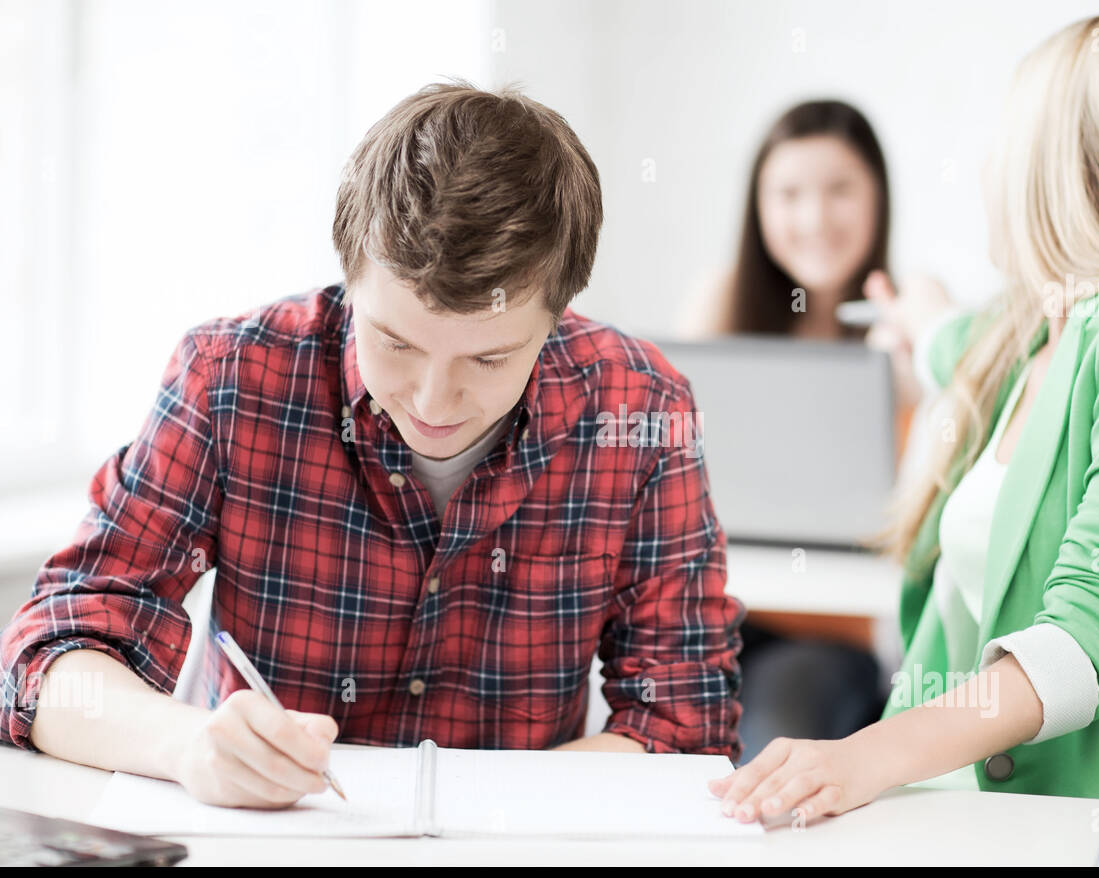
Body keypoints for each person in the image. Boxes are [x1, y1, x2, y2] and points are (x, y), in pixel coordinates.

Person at [0, 83, 744, 809]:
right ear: (350, 276)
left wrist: (484, 814)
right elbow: (45, 659)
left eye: (487, 360)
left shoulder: (642, 407)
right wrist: (185, 747)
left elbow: (683, 723)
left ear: (560, 313)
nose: (430, 401)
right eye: (393, 341)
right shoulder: (233, 377)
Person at [710, 13, 1099, 820]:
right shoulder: (1033, 339)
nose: (986, 166)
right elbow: (948, 337)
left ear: (1059, 163)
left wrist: (862, 758)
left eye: (1005, 139)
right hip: (978, 816)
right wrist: (916, 321)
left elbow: (1080, 645)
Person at [677, 100, 899, 761]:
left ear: (877, 199)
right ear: (759, 208)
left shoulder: (906, 323)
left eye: (839, 191)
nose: (813, 219)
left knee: (781, 732)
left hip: (837, 639)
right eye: (789, 194)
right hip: (723, 621)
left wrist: (913, 358)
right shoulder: (719, 303)